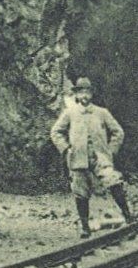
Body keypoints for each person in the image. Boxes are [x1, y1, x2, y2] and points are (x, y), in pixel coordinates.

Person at [48, 76, 132, 237]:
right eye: (81, 92)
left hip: (100, 158)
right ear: (77, 95)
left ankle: (128, 216)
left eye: (87, 92)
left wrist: (111, 151)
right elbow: (55, 131)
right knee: (80, 191)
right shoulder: (70, 113)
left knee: (113, 182)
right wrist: (66, 149)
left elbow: (118, 132)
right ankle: (85, 227)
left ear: (92, 94)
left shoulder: (102, 112)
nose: (84, 95)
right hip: (78, 158)